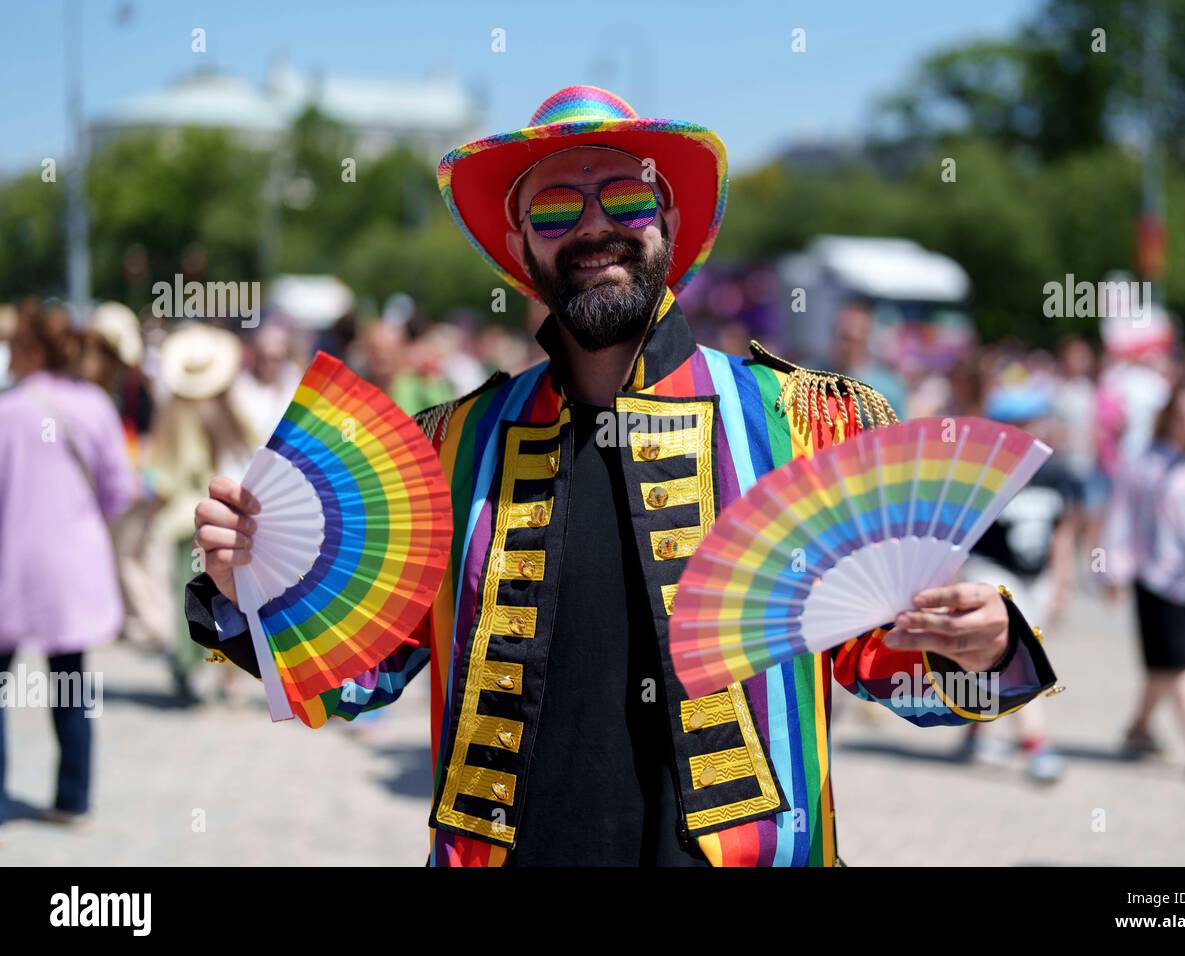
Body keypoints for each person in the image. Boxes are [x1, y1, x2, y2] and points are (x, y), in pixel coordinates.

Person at [184, 85, 1059, 867]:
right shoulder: (447, 451)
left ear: (667, 225)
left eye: (627, 195)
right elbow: (358, 676)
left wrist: (982, 646)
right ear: (521, 245)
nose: (594, 227)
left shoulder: (805, 423)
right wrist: (249, 587)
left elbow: (878, 659)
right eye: (557, 208)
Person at [0, 302, 137, 825]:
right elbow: (118, 491)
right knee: (71, 684)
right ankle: (73, 797)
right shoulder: (95, 406)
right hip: (70, 570)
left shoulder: (7, 411)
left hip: (11, 564)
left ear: (31, 349)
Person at [1102, 382, 1185, 784]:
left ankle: (1138, 728)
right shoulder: (1146, 460)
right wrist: (1113, 567)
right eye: (1180, 415)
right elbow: (1122, 514)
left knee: (1163, 664)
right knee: (1181, 662)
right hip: (1154, 574)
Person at [956, 380, 1079, 784]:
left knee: (1000, 657)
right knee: (1021, 653)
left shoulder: (1054, 471)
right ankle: (1036, 745)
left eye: (1033, 419)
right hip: (991, 572)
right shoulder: (982, 473)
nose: (1031, 428)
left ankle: (976, 727)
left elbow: (1063, 532)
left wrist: (1063, 583)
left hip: (1036, 577)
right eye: (1020, 421)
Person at [150, 323, 255, 705]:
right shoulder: (227, 411)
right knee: (225, 599)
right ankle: (228, 673)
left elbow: (168, 474)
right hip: (226, 522)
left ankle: (187, 669)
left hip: (186, 523)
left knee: (189, 598)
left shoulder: (175, 415)